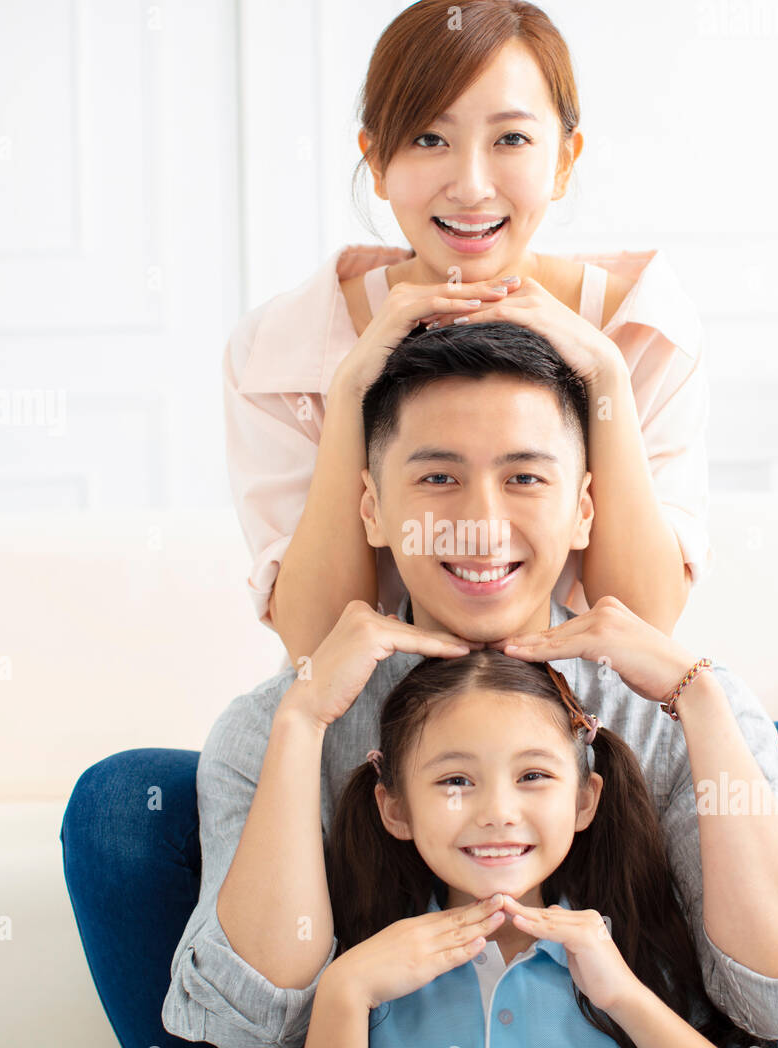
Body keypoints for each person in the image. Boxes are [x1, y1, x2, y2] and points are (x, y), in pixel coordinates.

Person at [154, 320, 778, 1048]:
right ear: (373, 510)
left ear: (584, 508)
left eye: (524, 477)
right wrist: (300, 721)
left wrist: (700, 697)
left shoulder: (665, 705)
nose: (483, 524)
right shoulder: (283, 720)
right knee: (126, 797)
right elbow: (255, 1036)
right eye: (436, 478)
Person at [229, 0, 715, 665]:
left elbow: (641, 626)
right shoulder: (285, 346)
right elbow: (317, 648)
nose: (471, 186)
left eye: (511, 139)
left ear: (565, 159)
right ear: (375, 160)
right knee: (124, 776)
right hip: (372, 732)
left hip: (574, 732)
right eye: (430, 139)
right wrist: (349, 393)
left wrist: (603, 373)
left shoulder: (641, 328)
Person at [290, 639, 778, 1048]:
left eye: (532, 776)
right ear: (395, 808)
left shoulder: (633, 958)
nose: (498, 813)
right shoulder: (368, 974)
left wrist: (626, 998)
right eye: (456, 781)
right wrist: (345, 991)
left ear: (584, 801)